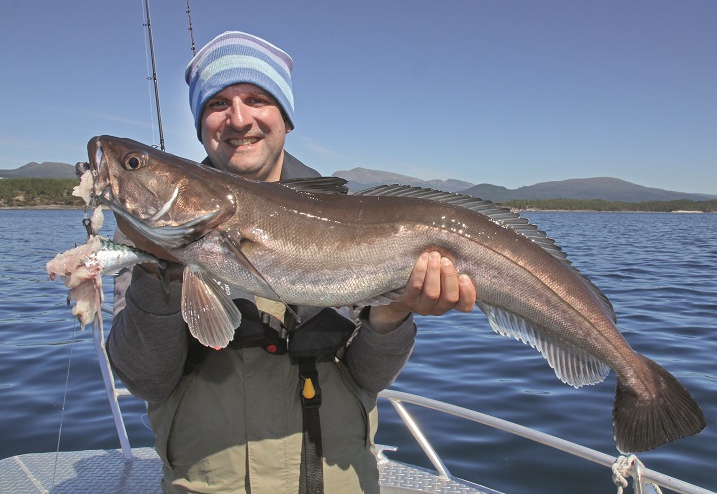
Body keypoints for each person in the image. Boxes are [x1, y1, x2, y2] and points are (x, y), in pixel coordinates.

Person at [107, 31, 476, 494]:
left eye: (257, 99)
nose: (238, 118)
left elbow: (369, 377)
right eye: (217, 104)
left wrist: (393, 313)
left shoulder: (350, 218)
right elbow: (146, 379)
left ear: (285, 117)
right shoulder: (142, 235)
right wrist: (159, 271)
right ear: (201, 125)